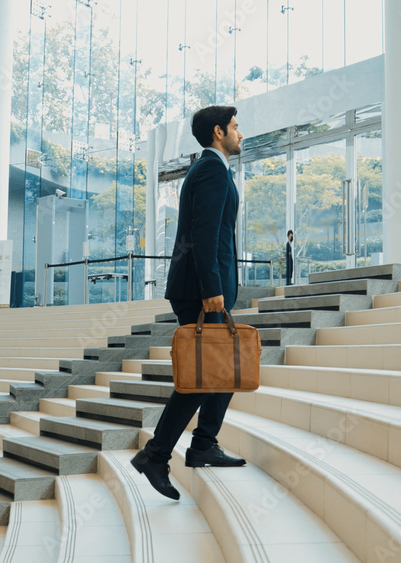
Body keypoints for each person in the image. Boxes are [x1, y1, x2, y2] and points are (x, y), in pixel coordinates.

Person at [131, 105, 245, 501]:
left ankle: (203, 445)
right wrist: (212, 287)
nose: (240, 133)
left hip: (205, 286)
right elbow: (204, 232)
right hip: (201, 290)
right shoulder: (212, 170)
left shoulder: (208, 168)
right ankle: (156, 455)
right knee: (203, 376)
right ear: (218, 132)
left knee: (225, 367)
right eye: (234, 127)